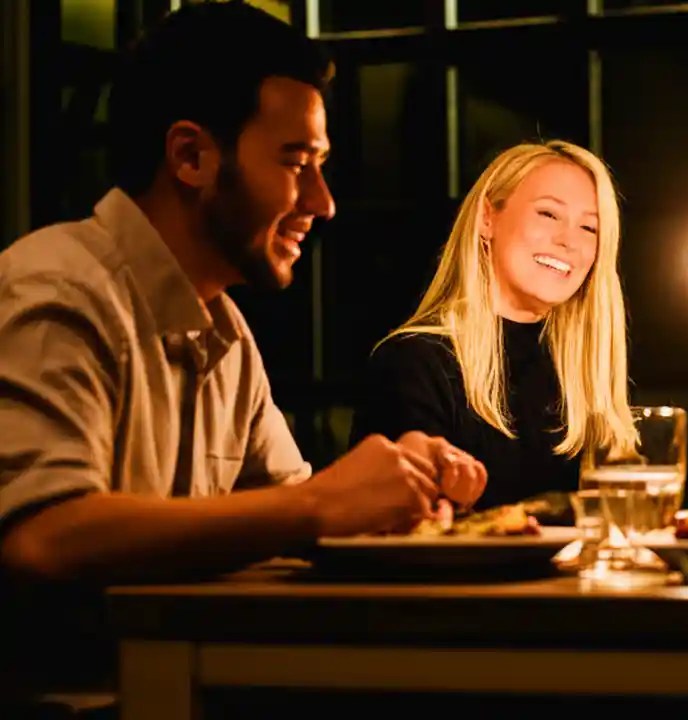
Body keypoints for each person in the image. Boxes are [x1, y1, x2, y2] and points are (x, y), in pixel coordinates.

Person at [0, 2, 481, 710]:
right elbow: (44, 536)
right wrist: (321, 504)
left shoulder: (222, 328)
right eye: (297, 162)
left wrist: (388, 496)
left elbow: (293, 517)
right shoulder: (57, 286)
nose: (323, 201)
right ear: (191, 156)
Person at [348, 140, 637, 510]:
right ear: (488, 218)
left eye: (589, 228)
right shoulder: (414, 362)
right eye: (548, 214)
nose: (568, 241)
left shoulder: (588, 377)